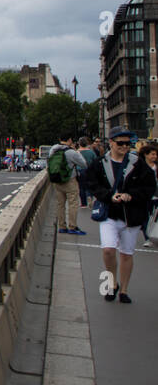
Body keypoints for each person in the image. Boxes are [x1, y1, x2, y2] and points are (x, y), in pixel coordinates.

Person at [83, 129, 155, 304]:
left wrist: (131, 195)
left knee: (126, 254)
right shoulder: (100, 163)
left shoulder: (138, 164)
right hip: (109, 213)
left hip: (131, 215)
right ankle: (112, 283)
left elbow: (149, 187)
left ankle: (123, 290)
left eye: (127, 143)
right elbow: (91, 183)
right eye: (120, 143)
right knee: (108, 250)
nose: (124, 146)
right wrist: (108, 196)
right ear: (111, 143)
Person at [46, 136, 86, 235]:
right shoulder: (71, 152)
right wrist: (77, 151)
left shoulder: (53, 150)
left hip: (57, 181)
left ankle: (62, 226)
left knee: (60, 204)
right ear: (70, 140)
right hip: (70, 181)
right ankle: (72, 226)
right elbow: (84, 164)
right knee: (73, 204)